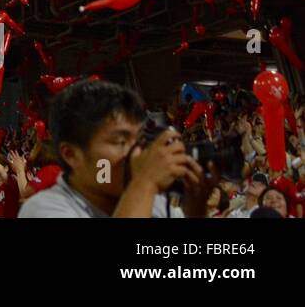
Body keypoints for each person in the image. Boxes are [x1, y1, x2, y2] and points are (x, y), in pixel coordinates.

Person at [19, 80, 217, 218]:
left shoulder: (153, 203)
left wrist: (195, 206)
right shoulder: (43, 209)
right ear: (72, 155)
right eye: (120, 142)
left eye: (138, 140)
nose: (136, 153)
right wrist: (145, 182)